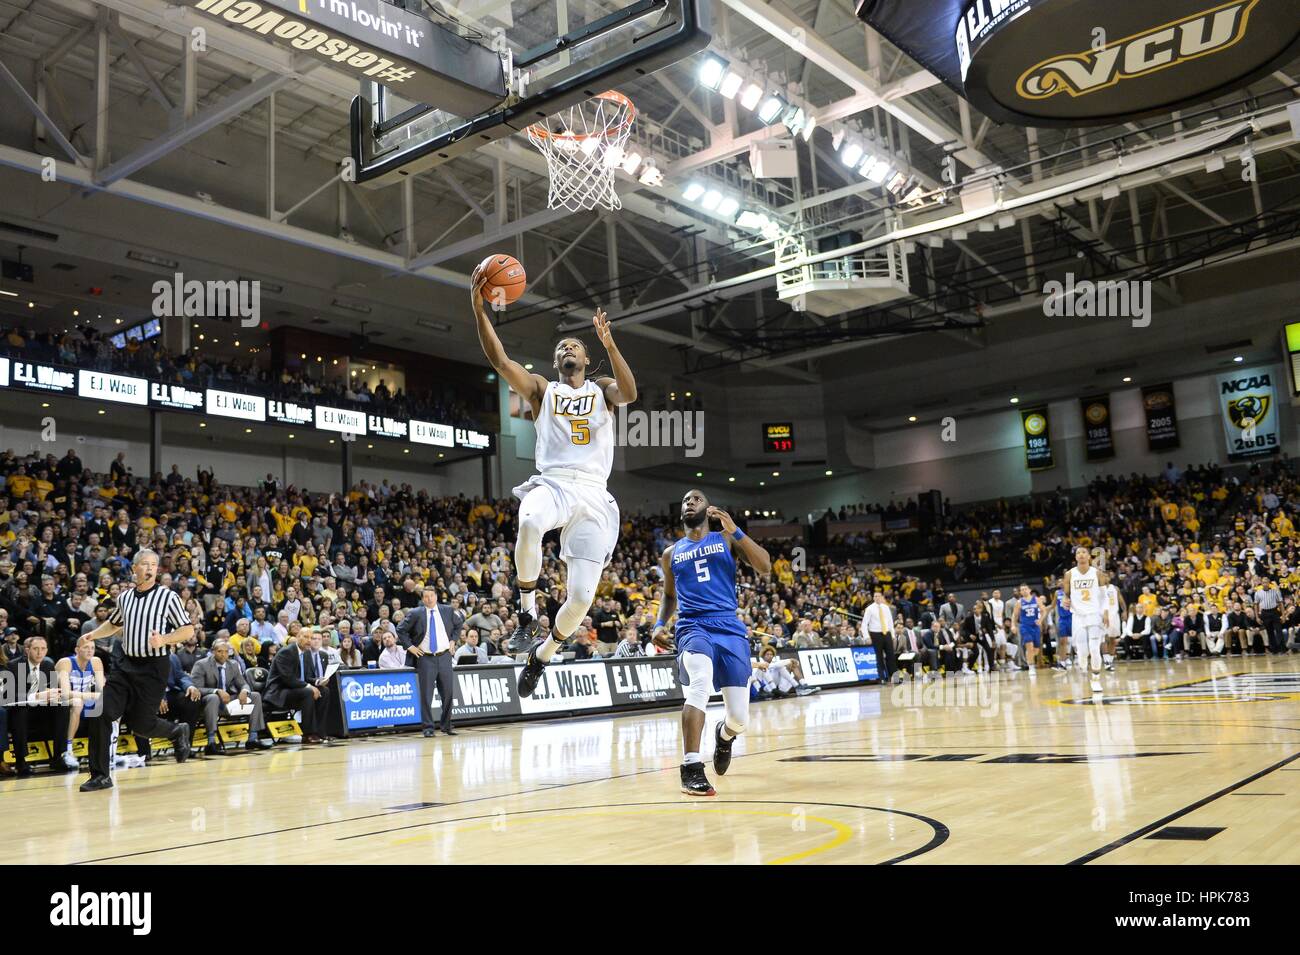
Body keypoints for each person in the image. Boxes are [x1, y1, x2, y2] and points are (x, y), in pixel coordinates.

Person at [472, 270, 638, 699]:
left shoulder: (602, 389)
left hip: (595, 495)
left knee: (581, 597)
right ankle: (526, 615)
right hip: (555, 483)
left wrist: (611, 343)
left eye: (574, 346)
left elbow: (631, 393)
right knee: (528, 521)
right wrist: (478, 308)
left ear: (585, 359)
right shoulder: (543, 391)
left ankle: (543, 655)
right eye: (561, 346)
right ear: (556, 362)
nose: (567, 347)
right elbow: (500, 361)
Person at [656, 489, 771, 797]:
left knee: (739, 719)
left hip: (730, 628)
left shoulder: (726, 540)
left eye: (696, 499)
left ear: (709, 510)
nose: (689, 502)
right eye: (684, 500)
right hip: (693, 626)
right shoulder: (671, 554)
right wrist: (658, 624)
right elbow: (669, 596)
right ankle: (691, 767)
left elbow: (765, 566)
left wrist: (737, 531)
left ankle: (724, 736)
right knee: (700, 683)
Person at [78, 550, 194, 792]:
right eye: (145, 564)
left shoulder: (168, 597)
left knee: (142, 725)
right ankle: (100, 775)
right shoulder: (125, 597)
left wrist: (164, 639)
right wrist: (93, 634)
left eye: (154, 564)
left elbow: (187, 630)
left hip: (153, 667)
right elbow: (113, 623)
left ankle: (176, 731)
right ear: (135, 568)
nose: (151, 568)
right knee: (101, 713)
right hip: (125, 665)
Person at [395, 586, 460, 737]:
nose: (429, 599)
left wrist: (453, 641)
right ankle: (428, 728)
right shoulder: (416, 613)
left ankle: (447, 725)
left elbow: (458, 625)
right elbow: (401, 630)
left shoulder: (447, 610)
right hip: (425, 658)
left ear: (436, 596)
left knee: (448, 693)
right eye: (426, 596)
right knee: (426, 695)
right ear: (422, 599)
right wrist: (410, 647)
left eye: (431, 595)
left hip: (444, 656)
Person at [189, 639, 273, 754]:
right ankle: (211, 742)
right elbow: (196, 688)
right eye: (219, 651)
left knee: (255, 696)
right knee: (213, 698)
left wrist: (244, 691)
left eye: (226, 651)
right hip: (209, 702)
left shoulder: (233, 664)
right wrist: (216, 691)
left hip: (229, 700)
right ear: (213, 652)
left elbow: (243, 683)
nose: (223, 654)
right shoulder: (202, 664)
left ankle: (253, 739)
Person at [4, 636, 65, 777]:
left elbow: (52, 691)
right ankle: (21, 761)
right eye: (36, 649)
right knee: (20, 711)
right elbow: (9, 696)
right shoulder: (12, 666)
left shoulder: (49, 665)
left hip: (42, 710)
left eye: (43, 649)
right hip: (21, 709)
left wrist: (54, 694)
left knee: (62, 707)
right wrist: (37, 696)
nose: (39, 653)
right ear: (27, 650)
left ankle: (58, 757)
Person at [264, 629, 333, 744]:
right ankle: (307, 734)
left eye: (311, 638)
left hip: (296, 690)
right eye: (306, 637)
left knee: (324, 691)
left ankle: (320, 732)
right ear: (298, 637)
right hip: (280, 692)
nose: (309, 641)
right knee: (308, 692)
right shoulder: (286, 652)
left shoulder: (305, 653)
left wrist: (317, 682)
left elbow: (305, 677)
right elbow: (287, 678)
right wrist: (309, 687)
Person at [54, 634, 105, 771]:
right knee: (77, 702)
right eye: (86, 647)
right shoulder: (65, 662)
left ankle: (109, 751)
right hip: (62, 703)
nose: (90, 651)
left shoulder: (96, 662)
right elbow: (65, 693)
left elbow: (102, 690)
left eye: (92, 648)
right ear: (77, 650)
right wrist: (91, 695)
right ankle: (68, 750)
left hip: (86, 701)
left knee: (111, 706)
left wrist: (96, 696)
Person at [1065, 547, 1106, 695]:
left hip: (1094, 614)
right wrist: (1065, 600)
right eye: (1078, 553)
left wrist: (1105, 612)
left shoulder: (1098, 573)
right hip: (1078, 616)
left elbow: (1104, 595)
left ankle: (1096, 679)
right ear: (1075, 557)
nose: (1081, 555)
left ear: (1089, 556)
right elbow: (1066, 594)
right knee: (1083, 652)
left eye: (1083, 552)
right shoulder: (1069, 574)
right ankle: (1082, 662)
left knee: (1095, 649)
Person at [1011, 583, 1045, 673]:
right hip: (1025, 626)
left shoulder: (1037, 600)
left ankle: (1029, 657)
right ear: (1020, 592)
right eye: (1022, 590)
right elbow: (1014, 615)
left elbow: (1043, 610)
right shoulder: (1019, 602)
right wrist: (1013, 625)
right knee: (1029, 646)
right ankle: (1031, 667)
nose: (1024, 591)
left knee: (1036, 650)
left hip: (1035, 626)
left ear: (1029, 590)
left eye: (1025, 589)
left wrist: (1040, 620)